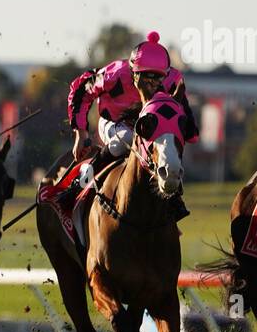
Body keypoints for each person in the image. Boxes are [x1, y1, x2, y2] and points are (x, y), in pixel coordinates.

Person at [65, 30, 197, 217]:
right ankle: (80, 183)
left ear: (166, 74)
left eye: (157, 77)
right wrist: (81, 133)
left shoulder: (173, 81)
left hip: (149, 126)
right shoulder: (116, 73)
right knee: (127, 137)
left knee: (167, 143)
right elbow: (81, 89)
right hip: (112, 122)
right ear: (133, 72)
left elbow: (183, 114)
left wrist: (189, 131)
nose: (152, 83)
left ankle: (174, 196)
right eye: (146, 76)